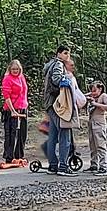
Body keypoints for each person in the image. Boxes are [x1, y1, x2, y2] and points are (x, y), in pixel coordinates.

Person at [41, 46, 72, 174]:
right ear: (58, 53)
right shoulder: (58, 65)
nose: (67, 56)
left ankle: (52, 165)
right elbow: (56, 80)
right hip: (57, 104)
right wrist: (66, 81)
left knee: (53, 136)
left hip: (49, 103)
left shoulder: (50, 64)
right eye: (65, 53)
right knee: (64, 134)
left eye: (68, 54)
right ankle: (63, 166)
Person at [0, 60, 29, 169]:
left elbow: (24, 92)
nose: (15, 71)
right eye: (13, 69)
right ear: (9, 69)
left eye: (17, 69)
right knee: (11, 134)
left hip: (22, 108)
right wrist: (12, 110)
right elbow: (6, 97)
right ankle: (9, 156)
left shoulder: (22, 77)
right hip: (11, 109)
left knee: (22, 134)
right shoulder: (7, 79)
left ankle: (19, 155)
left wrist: (24, 106)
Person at [85, 82, 107, 176]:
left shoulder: (104, 96)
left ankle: (103, 167)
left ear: (100, 89)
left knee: (100, 144)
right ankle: (94, 164)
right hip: (91, 123)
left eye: (95, 90)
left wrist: (96, 104)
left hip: (99, 123)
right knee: (92, 144)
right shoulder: (93, 97)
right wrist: (89, 96)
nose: (93, 93)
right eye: (91, 91)